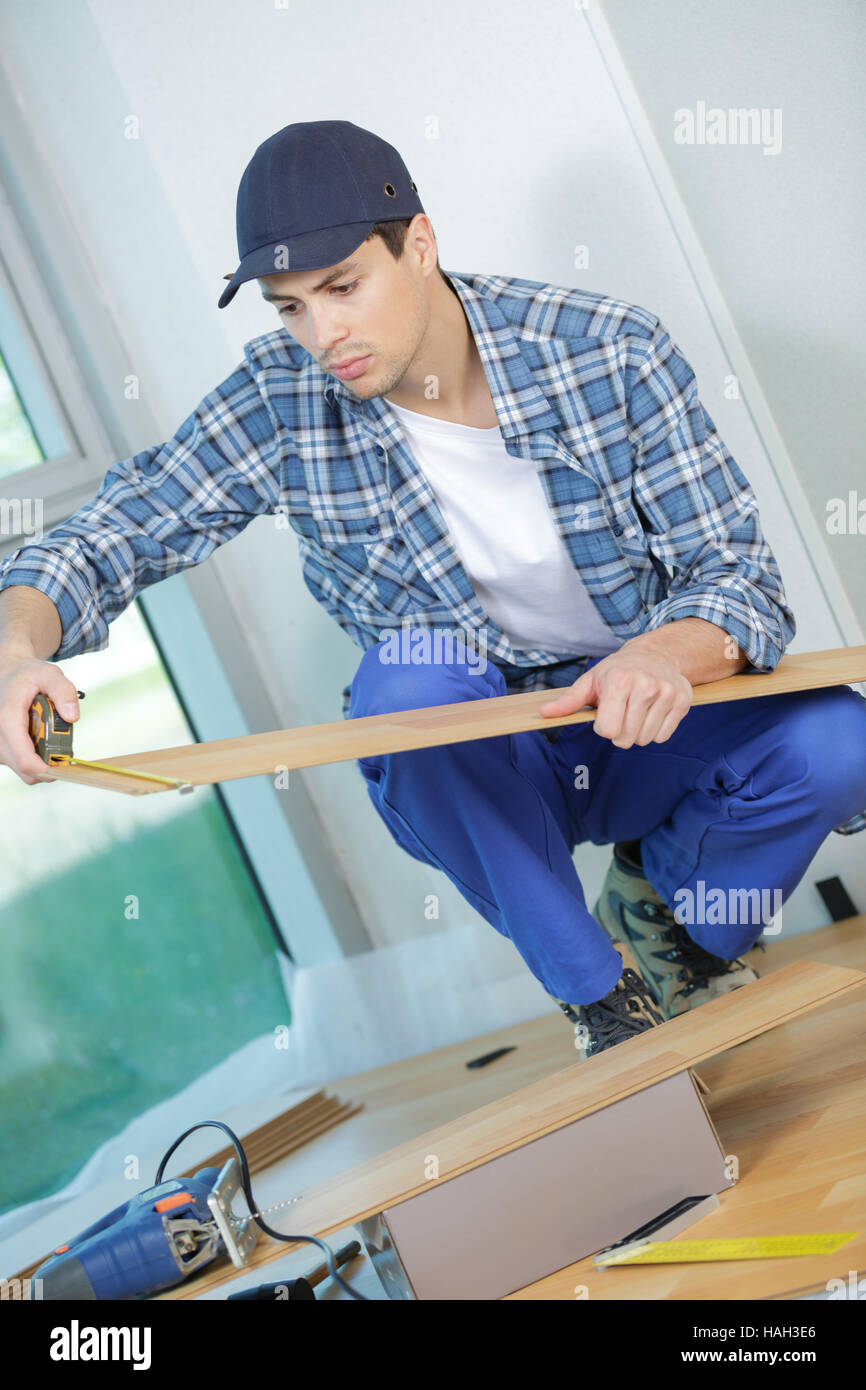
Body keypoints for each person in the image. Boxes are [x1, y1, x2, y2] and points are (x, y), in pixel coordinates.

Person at [1, 120, 864, 1060]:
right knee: (406, 683)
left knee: (838, 737)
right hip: (479, 757)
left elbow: (739, 580)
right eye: (289, 307)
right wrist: (14, 652)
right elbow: (111, 534)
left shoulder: (609, 351)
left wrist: (662, 652)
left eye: (341, 288)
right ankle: (605, 999)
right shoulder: (280, 400)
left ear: (419, 244)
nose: (322, 335)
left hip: (643, 724)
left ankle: (674, 934)